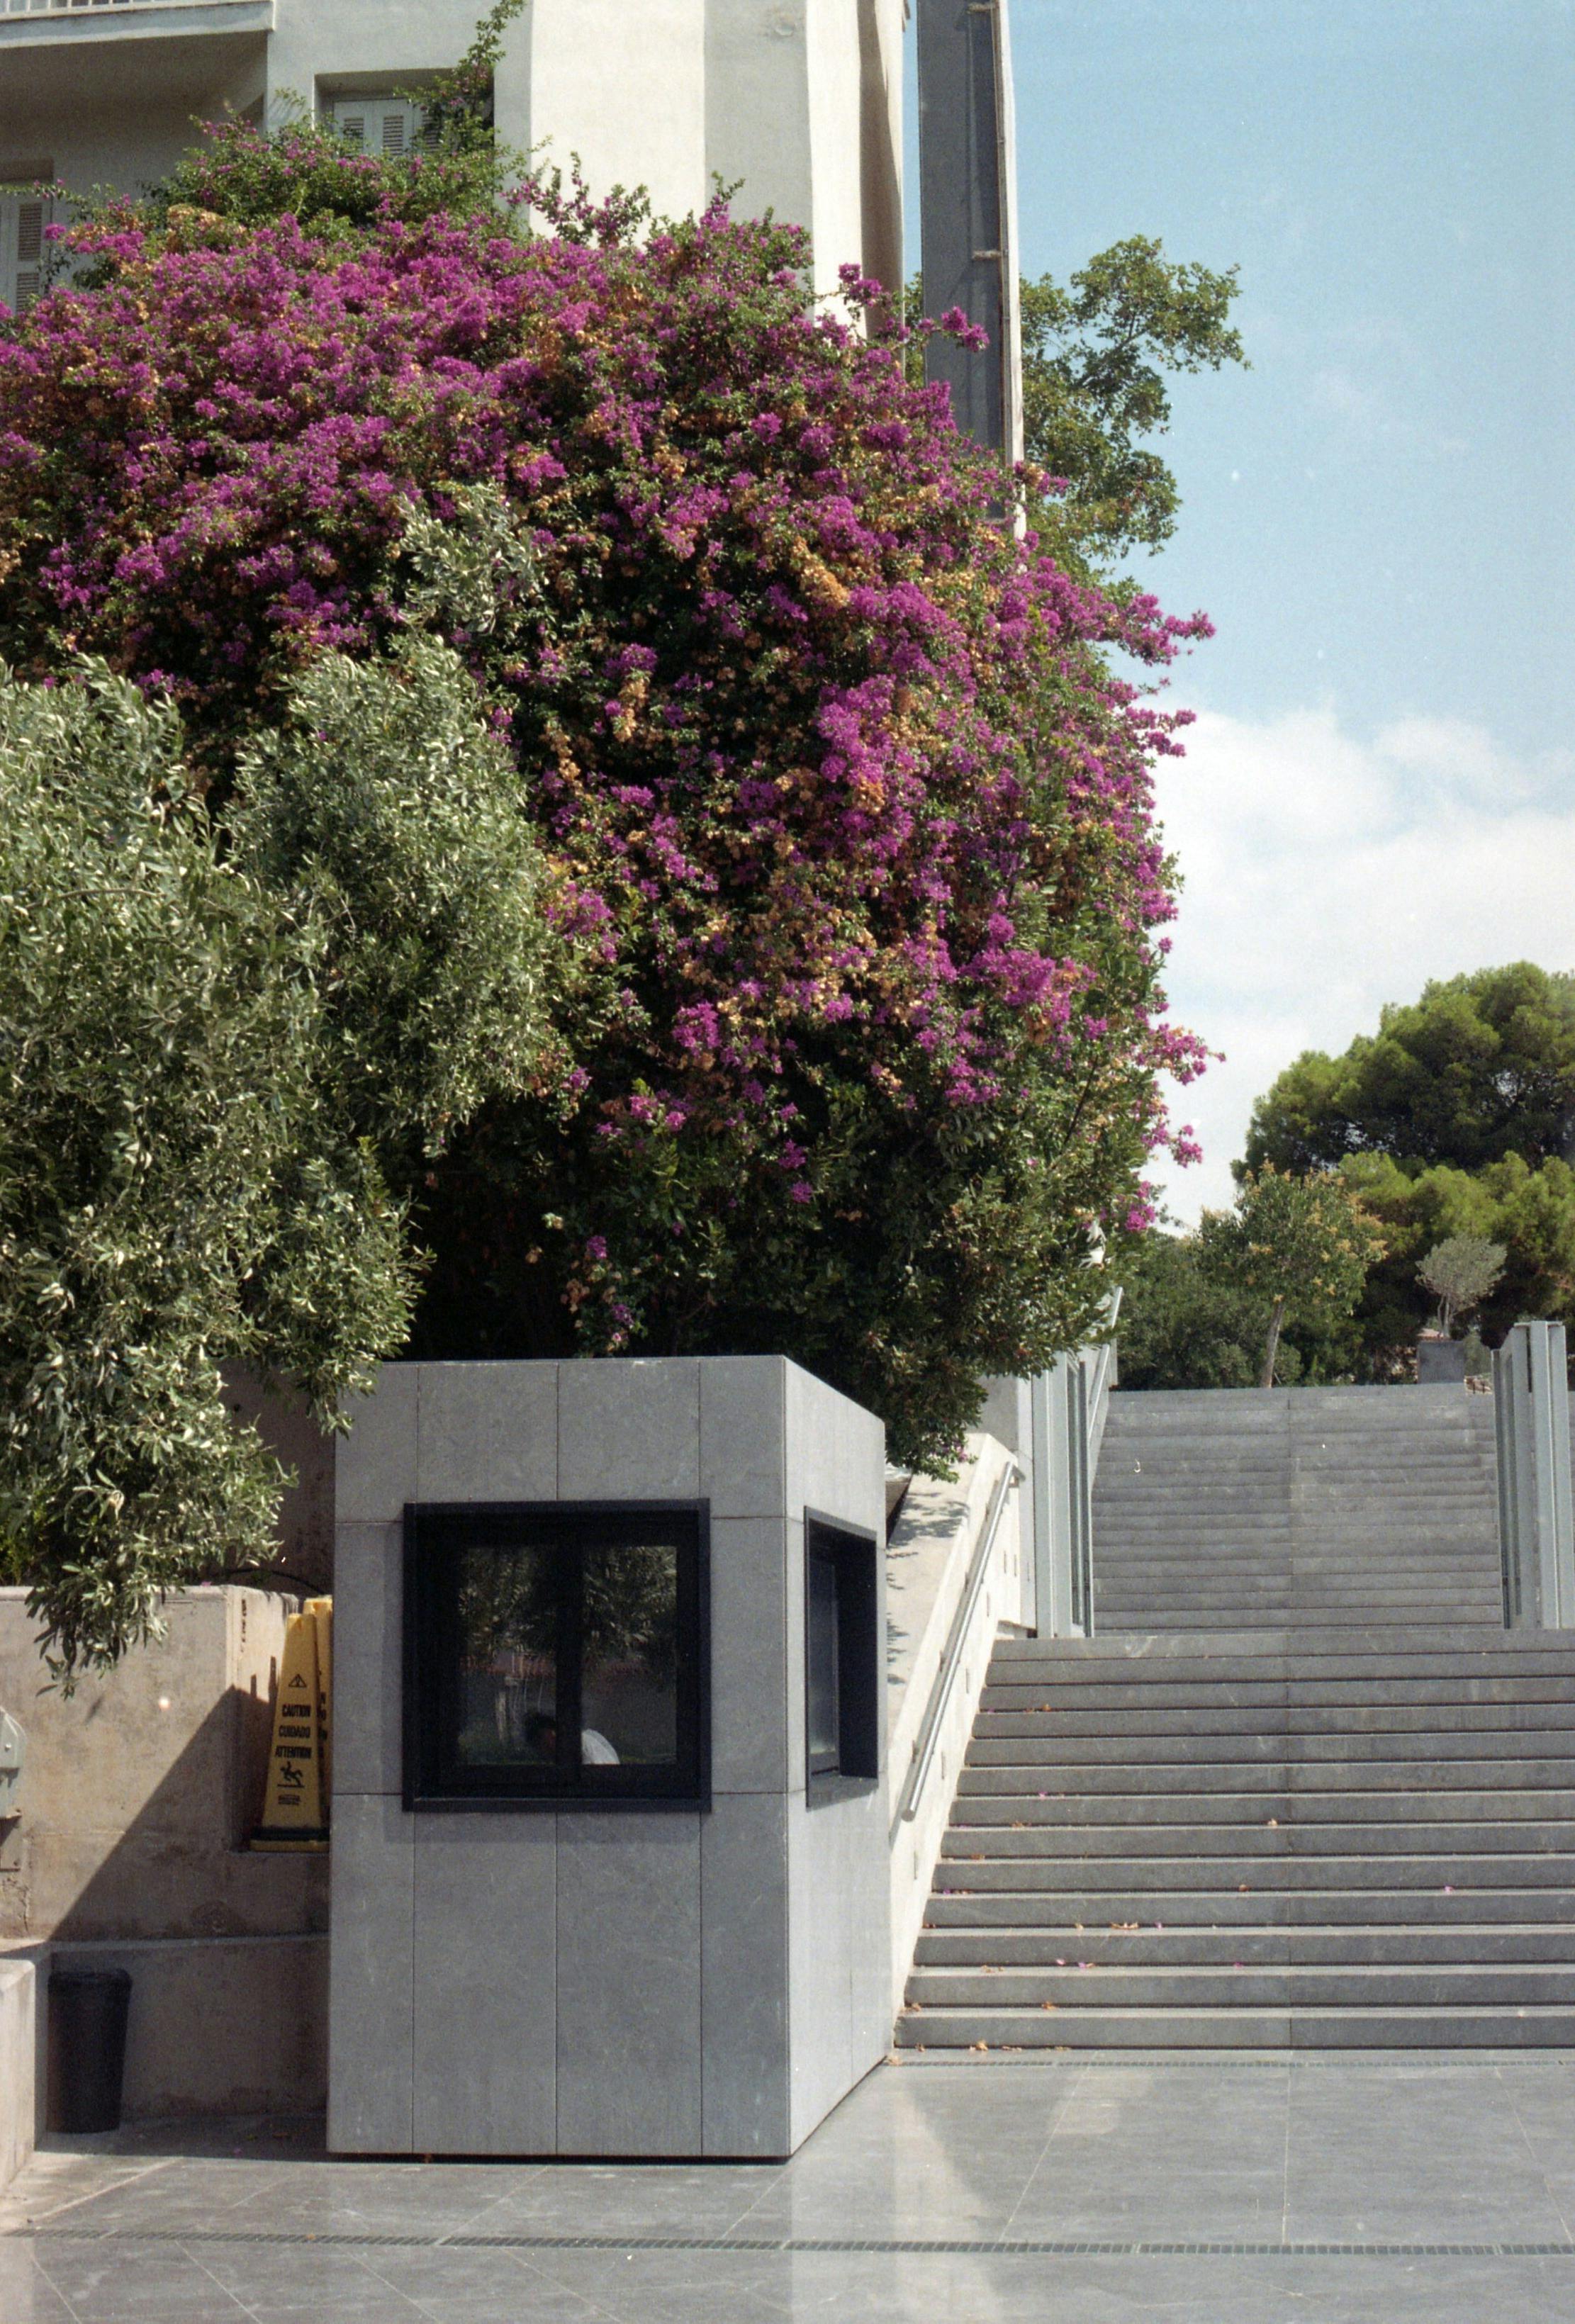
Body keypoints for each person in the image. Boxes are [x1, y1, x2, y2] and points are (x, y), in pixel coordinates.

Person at [522, 1712, 620, 1766]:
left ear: (551, 1733)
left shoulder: (576, 1749)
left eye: (541, 1744)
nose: (542, 1751)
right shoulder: (585, 1738)